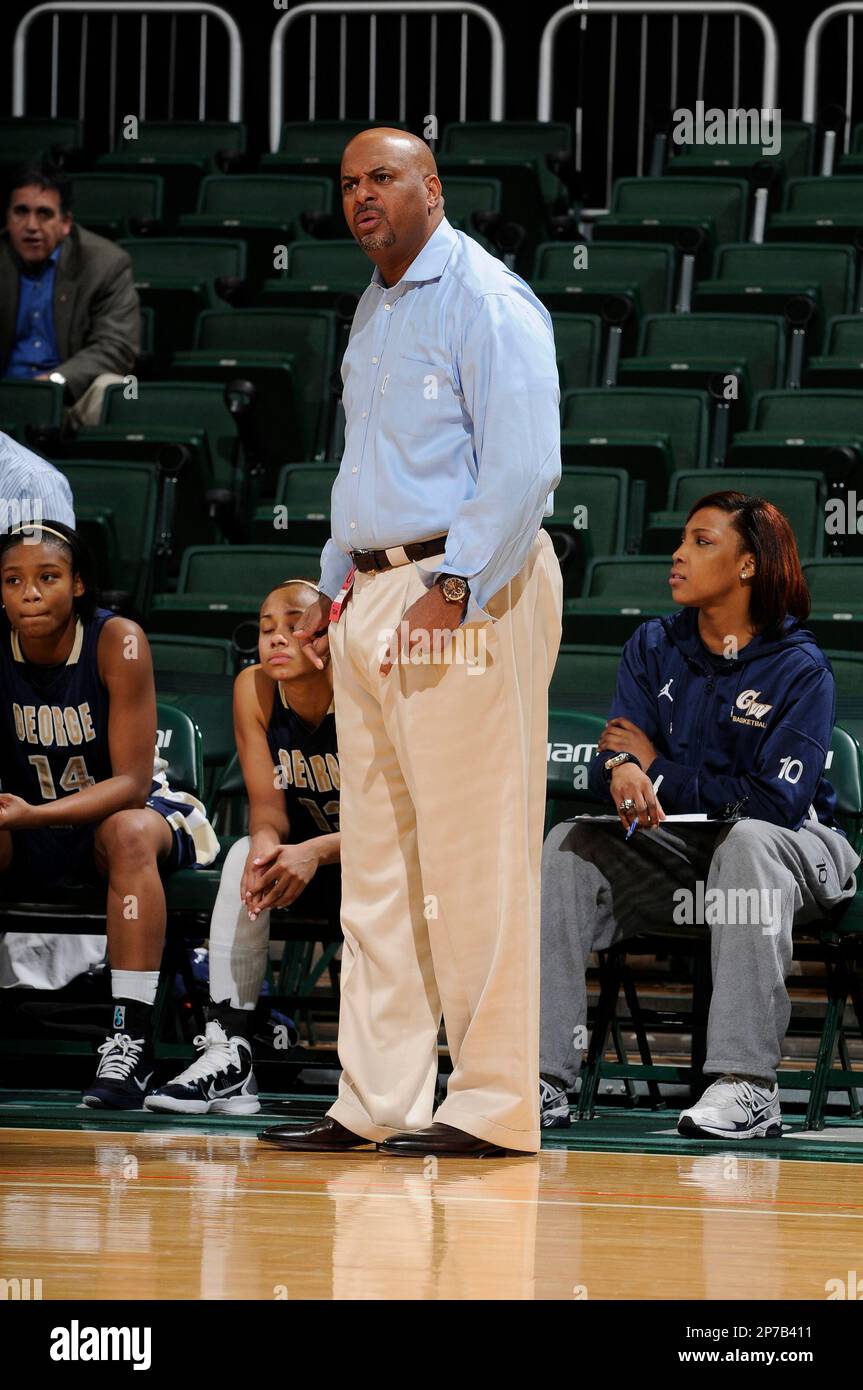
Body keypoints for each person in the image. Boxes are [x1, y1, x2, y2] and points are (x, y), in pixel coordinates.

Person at [258, 127, 563, 1158]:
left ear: (430, 187)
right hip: (380, 587)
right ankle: (375, 1098)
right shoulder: (375, 302)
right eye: (347, 184)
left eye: (381, 178)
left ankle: (490, 1103)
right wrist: (325, 584)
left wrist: (458, 586)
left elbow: (524, 465)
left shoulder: (484, 297)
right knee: (382, 860)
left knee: (472, 858)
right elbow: (369, 468)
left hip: (466, 583)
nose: (361, 197)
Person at [539, 492, 861, 1139]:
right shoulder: (651, 644)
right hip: (686, 863)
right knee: (568, 843)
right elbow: (620, 750)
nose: (677, 554)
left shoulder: (800, 667)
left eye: (701, 541)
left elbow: (772, 804)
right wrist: (620, 769)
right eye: (680, 539)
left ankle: (748, 1086)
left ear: (747, 565)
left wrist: (652, 769)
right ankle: (541, 1078)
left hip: (795, 855)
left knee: (744, 841)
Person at [0, 521, 218, 1108]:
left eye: (48, 577)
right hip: (33, 818)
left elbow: (131, 783)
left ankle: (130, 1040)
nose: (30, 593)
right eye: (13, 580)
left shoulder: (117, 639)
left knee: (125, 833)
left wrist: (31, 818)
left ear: (77, 585)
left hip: (126, 812)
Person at [146, 578, 341, 1115]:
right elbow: (269, 811)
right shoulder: (253, 689)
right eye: (265, 629)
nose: (277, 638)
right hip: (312, 860)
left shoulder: (365, 688)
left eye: (295, 625)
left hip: (385, 862)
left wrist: (316, 852)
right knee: (240, 858)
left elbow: (401, 822)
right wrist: (265, 852)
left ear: (330, 633)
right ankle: (228, 1052)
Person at [0, 162, 139, 429]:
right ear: (7, 218)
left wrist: (52, 384)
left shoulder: (105, 263)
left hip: (69, 396)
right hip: (5, 395)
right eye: (21, 212)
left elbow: (116, 346)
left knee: (113, 388)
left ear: (65, 223)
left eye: (44, 214)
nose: (31, 226)